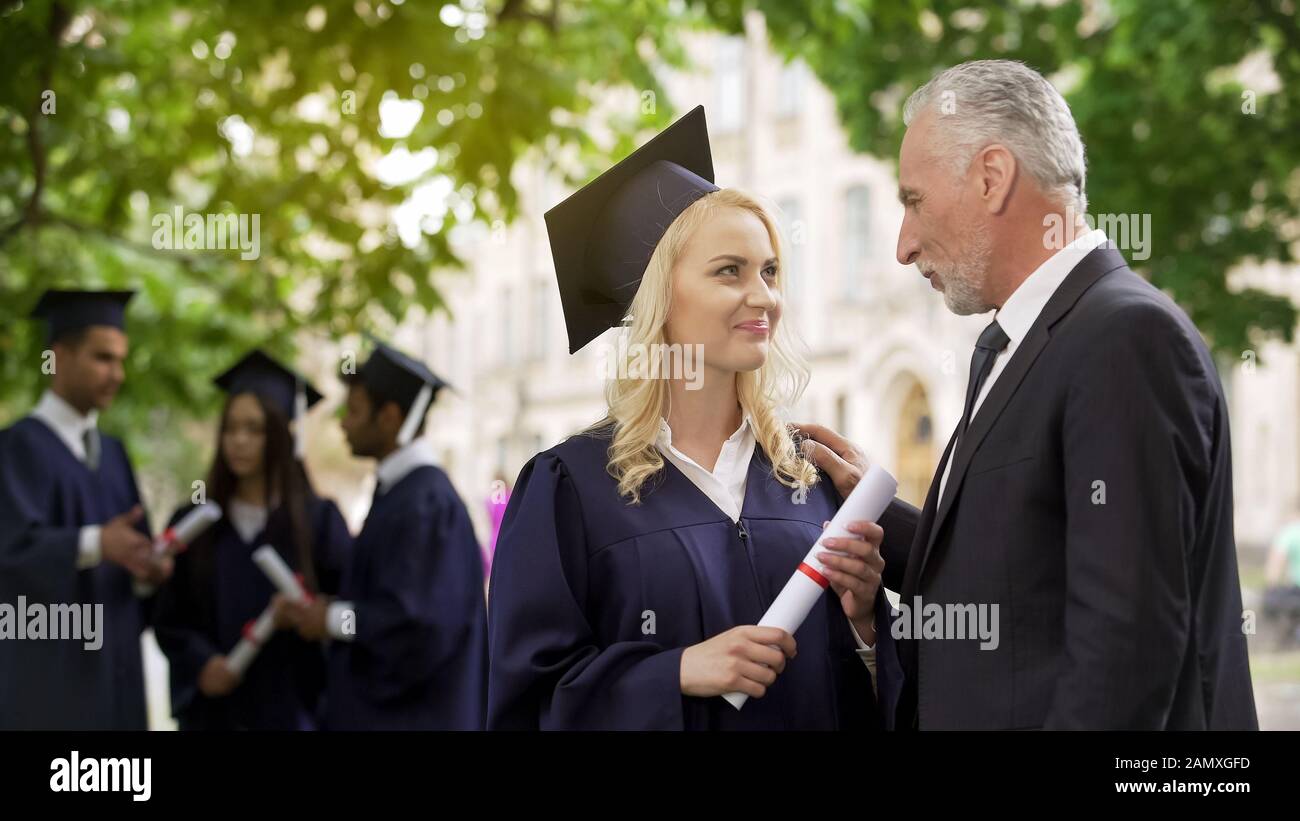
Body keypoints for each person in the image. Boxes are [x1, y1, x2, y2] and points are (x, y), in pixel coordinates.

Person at [800, 60, 1257, 729]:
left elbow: (1123, 660)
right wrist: (877, 515)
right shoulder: (1029, 338)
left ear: (991, 176)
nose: (904, 245)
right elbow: (1025, 567)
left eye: (914, 201)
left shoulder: (1124, 339)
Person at [487, 106, 899, 730]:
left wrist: (867, 622)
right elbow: (530, 704)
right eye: (729, 271)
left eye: (769, 271)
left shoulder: (805, 478)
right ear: (660, 298)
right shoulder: (569, 489)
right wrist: (673, 672)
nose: (763, 295)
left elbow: (865, 696)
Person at [278, 340, 487, 730]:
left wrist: (334, 620)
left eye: (354, 410)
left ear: (390, 417)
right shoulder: (403, 493)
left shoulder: (426, 505)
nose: (342, 423)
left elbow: (417, 629)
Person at [153, 350, 352, 730]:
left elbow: (347, 611)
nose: (238, 441)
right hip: (213, 715)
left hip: (294, 711)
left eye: (254, 429)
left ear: (280, 435)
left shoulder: (318, 521)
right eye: (230, 428)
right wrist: (200, 663)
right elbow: (170, 617)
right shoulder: (195, 523)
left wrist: (318, 616)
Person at [0, 288, 169, 729]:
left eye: (121, 360)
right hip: (48, 689)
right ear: (58, 357)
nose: (117, 373)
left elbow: (133, 553)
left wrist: (147, 573)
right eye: (103, 358)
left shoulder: (114, 454)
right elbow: (10, 555)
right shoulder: (17, 447)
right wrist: (96, 543)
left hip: (119, 682)